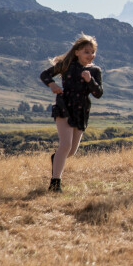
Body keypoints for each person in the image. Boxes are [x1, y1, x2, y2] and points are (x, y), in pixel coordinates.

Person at [39, 34, 104, 193]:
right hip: (64, 106)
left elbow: (98, 93)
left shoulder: (95, 71)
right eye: (86, 52)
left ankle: (56, 159)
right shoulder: (67, 65)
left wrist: (90, 81)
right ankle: (55, 184)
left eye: (92, 52)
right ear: (77, 52)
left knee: (71, 151)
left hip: (82, 110)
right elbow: (45, 75)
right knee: (66, 145)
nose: (90, 55)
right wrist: (52, 84)